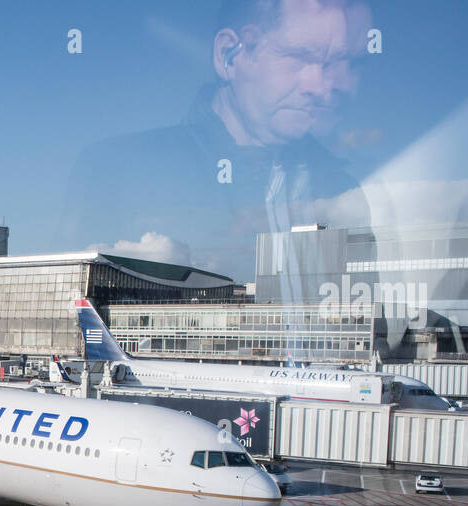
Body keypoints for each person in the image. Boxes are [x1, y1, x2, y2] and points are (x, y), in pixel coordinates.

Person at [61, 0, 373, 289]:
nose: (321, 85)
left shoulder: (342, 188)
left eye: (339, 63)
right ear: (230, 55)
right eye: (299, 56)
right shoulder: (116, 169)